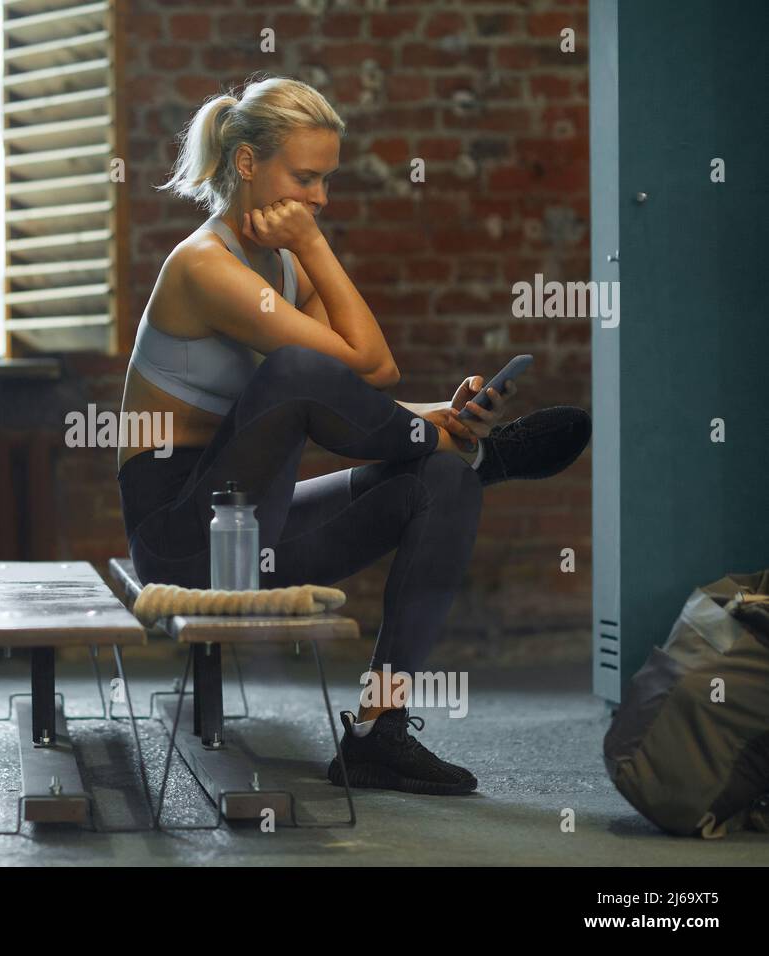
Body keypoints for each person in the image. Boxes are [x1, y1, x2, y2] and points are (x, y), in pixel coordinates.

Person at [116, 76, 590, 795]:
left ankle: (378, 731)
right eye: (306, 179)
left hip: (252, 532)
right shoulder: (204, 267)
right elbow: (355, 369)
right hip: (182, 544)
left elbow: (366, 378)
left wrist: (441, 413)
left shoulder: (276, 260)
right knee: (297, 369)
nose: (319, 199)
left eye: (325, 181)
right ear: (247, 164)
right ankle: (473, 451)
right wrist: (314, 244)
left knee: (445, 479)